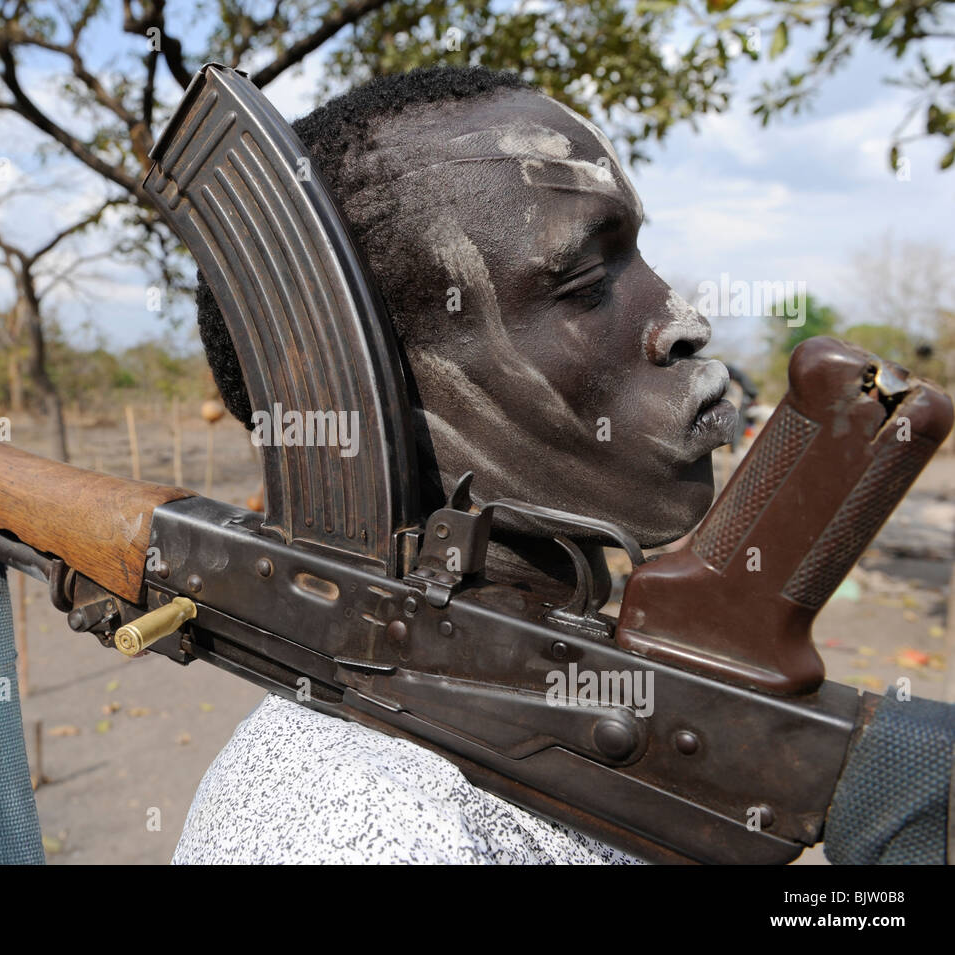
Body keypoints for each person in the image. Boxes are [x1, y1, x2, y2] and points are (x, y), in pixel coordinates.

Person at [176, 65, 742, 864]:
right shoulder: (355, 828)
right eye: (586, 281)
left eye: (639, 256)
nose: (685, 319)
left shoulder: (579, 661)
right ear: (365, 399)